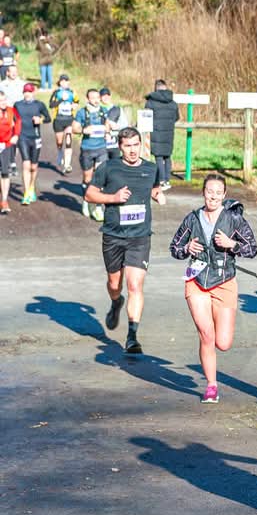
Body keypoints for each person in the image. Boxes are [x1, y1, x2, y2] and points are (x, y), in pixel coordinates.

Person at [169, 173, 257, 403]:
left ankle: (212, 365)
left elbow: (252, 248)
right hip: (196, 281)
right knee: (206, 334)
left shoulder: (233, 219)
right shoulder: (192, 219)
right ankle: (211, 386)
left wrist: (232, 244)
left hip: (224, 281)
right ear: (203, 193)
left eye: (218, 193)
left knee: (223, 343)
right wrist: (187, 247)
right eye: (210, 192)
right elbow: (174, 248)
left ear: (224, 195)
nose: (214, 197)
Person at [84, 127, 165, 354]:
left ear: (141, 144)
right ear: (120, 147)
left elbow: (154, 187)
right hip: (113, 235)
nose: (132, 150)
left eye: (136, 145)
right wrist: (113, 198)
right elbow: (89, 195)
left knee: (135, 285)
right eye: (128, 146)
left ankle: (132, 336)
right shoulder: (108, 168)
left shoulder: (151, 168)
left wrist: (157, 195)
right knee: (114, 285)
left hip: (140, 236)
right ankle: (116, 301)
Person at [74, 89, 111, 221]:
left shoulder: (104, 111)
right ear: (87, 99)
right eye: (93, 98)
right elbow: (74, 128)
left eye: (97, 97)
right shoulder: (82, 112)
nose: (96, 100)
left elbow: (108, 125)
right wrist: (84, 130)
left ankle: (98, 207)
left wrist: (108, 130)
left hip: (101, 148)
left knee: (100, 176)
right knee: (88, 179)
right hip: (87, 149)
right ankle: (86, 201)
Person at [13, 82, 50, 205]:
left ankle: (31, 186)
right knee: (26, 165)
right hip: (23, 137)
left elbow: (48, 118)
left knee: (34, 167)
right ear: (23, 93)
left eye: (29, 92)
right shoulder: (17, 105)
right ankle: (26, 193)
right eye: (25, 92)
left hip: (36, 138)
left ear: (33, 92)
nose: (27, 94)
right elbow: (12, 119)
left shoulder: (39, 105)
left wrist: (41, 119)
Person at [144, 79, 179, 189]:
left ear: (156, 88)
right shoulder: (173, 103)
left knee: (158, 157)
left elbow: (145, 117)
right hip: (169, 133)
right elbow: (177, 117)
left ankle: (161, 180)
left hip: (156, 133)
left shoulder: (151, 102)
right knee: (167, 156)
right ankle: (167, 180)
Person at [48, 74, 79, 173]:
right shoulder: (56, 92)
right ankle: (60, 153)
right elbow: (51, 105)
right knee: (60, 142)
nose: (65, 83)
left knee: (69, 141)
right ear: (60, 82)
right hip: (58, 120)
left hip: (69, 119)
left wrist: (74, 105)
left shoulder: (72, 92)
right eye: (63, 81)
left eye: (67, 81)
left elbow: (77, 101)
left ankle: (67, 164)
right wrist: (61, 100)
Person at [0, 89, 20, 214]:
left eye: (4, 100)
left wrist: (16, 135)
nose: (3, 102)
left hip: (6, 144)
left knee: (5, 172)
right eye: (0, 101)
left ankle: (4, 200)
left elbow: (18, 122)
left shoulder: (11, 110)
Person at [99, 87, 129, 161]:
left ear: (110, 96)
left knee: (115, 167)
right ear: (100, 98)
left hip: (114, 144)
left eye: (107, 95)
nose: (106, 97)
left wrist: (117, 127)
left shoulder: (117, 109)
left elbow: (125, 125)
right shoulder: (98, 110)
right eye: (103, 96)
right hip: (101, 144)